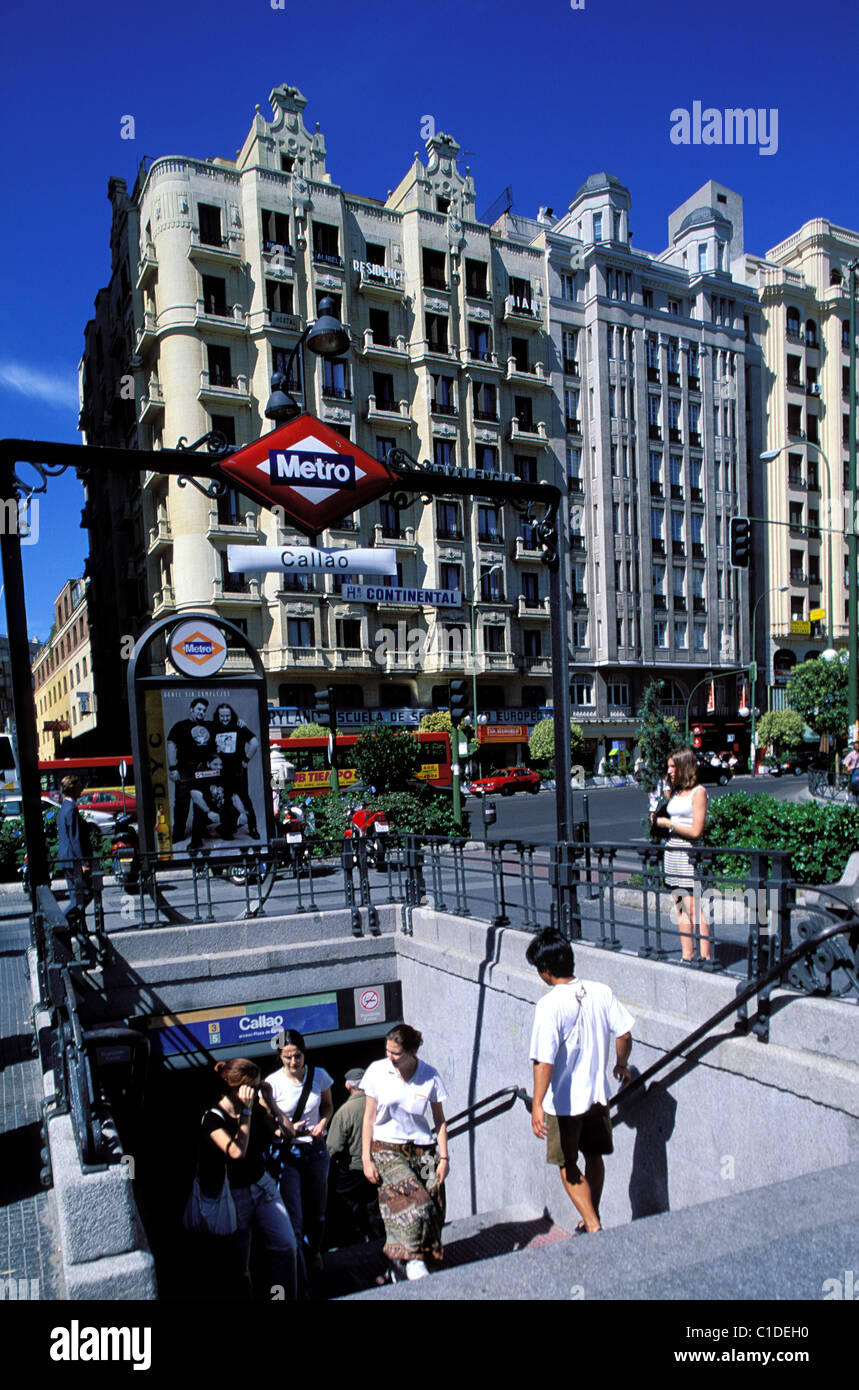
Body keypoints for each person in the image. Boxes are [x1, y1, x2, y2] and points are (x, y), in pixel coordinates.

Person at [526, 928, 634, 1234]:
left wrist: (536, 1104)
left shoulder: (548, 1005)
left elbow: (543, 1061)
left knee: (567, 1163)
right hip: (599, 1095)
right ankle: (591, 1216)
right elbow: (624, 1033)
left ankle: (593, 1224)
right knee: (594, 1156)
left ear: (545, 970)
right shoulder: (601, 991)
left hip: (564, 1102)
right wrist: (621, 1065)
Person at [197, 1058, 298, 1300]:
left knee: (286, 1246)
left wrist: (271, 1102)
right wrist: (245, 1113)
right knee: (239, 1267)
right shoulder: (212, 1118)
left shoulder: (256, 1108)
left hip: (261, 1186)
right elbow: (236, 1152)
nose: (255, 1093)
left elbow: (288, 1132)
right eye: (251, 1088)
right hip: (233, 1195)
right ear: (236, 1089)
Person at [361, 1023, 449, 1282]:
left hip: (422, 1148)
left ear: (411, 1051)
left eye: (396, 1053)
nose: (390, 1056)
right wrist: (366, 1158)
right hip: (387, 1147)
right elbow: (368, 1118)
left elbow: (440, 1120)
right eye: (387, 1051)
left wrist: (444, 1158)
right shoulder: (377, 1071)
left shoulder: (430, 1075)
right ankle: (412, 1259)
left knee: (434, 1206)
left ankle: (401, 1261)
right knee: (416, 1202)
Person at [268, 1030, 333, 1277]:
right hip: (289, 1153)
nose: (293, 1062)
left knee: (317, 1210)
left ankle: (314, 1250)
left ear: (304, 1054)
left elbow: (327, 1105)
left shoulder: (320, 1076)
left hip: (315, 1149)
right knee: (294, 1214)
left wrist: (322, 1124)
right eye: (287, 1057)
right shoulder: (272, 1084)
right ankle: (299, 1267)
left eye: (297, 1056)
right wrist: (282, 1130)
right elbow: (266, 1121)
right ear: (280, 1057)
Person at [651, 747, 710, 962]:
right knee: (680, 906)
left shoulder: (699, 792)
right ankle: (687, 955)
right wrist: (658, 818)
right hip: (673, 850)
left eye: (673, 766)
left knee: (694, 907)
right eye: (668, 766)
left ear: (684, 766)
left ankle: (705, 956)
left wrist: (670, 824)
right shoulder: (676, 792)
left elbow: (696, 831)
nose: (670, 770)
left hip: (688, 852)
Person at [326, 1069, 384, 1247]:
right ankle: (379, 1240)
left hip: (353, 1170)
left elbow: (333, 1146)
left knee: (349, 1207)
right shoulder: (380, 1104)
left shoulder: (344, 1112)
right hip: (379, 1166)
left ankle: (358, 1243)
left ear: (347, 1086)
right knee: (375, 1206)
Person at [167, 697, 214, 846]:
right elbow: (171, 746)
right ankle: (179, 833)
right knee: (181, 803)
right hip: (184, 770)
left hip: (204, 771)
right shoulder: (179, 727)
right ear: (191, 709)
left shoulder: (209, 725)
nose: (202, 712)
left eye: (204, 710)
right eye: (199, 709)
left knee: (202, 802)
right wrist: (173, 768)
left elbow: (228, 726)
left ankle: (199, 833)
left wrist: (240, 724)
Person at [213, 702, 260, 839]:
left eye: (227, 715)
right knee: (225, 800)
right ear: (218, 716)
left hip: (237, 770)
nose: (225, 719)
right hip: (221, 771)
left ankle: (253, 828)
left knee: (244, 799)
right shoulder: (213, 727)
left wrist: (246, 760)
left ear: (231, 715)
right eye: (222, 716)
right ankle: (228, 829)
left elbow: (254, 743)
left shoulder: (239, 726)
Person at [56, 776, 93, 932]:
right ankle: (61, 925)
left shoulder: (64, 808)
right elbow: (75, 838)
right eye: (79, 786)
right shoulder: (71, 809)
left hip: (66, 858)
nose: (82, 789)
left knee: (75, 896)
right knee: (85, 894)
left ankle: (79, 928)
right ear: (72, 789)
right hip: (74, 860)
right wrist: (83, 862)